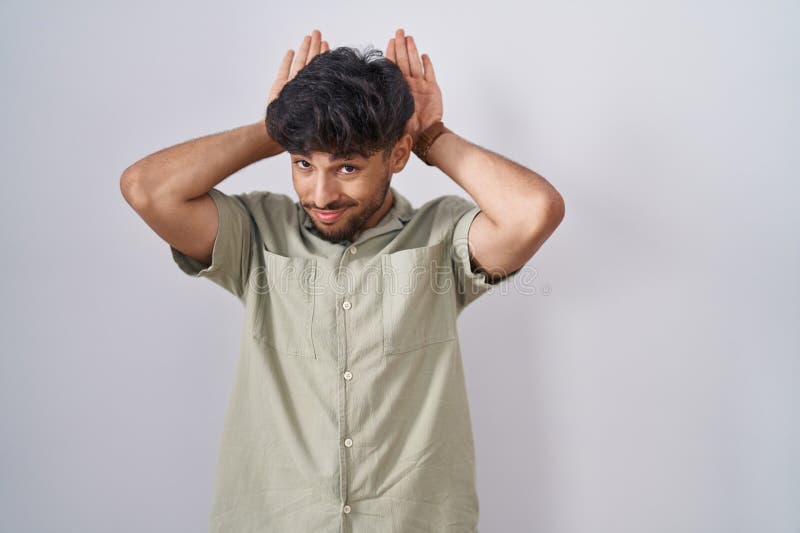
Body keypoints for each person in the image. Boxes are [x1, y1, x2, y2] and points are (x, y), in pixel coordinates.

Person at [120, 27, 564, 533]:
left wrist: (432, 136)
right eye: (303, 164)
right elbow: (146, 190)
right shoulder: (258, 234)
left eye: (348, 167)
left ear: (396, 156)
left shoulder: (439, 237)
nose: (321, 193)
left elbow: (534, 212)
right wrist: (278, 127)